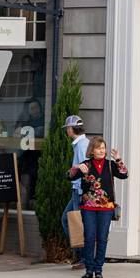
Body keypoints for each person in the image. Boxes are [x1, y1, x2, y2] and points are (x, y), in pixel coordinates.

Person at [70, 137, 128, 278]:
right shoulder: (86, 165)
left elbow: (124, 175)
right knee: (89, 237)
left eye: (103, 148)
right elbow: (68, 177)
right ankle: (89, 269)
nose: (102, 150)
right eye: (98, 148)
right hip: (88, 207)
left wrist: (119, 160)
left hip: (106, 208)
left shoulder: (110, 164)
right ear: (92, 150)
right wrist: (76, 167)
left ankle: (98, 269)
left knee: (102, 238)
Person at [63, 115, 90, 268]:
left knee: (76, 224)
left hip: (78, 190)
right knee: (67, 220)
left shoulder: (80, 146)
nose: (67, 130)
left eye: (67, 128)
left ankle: (83, 258)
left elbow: (84, 170)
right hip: (78, 189)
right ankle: (80, 255)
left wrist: (80, 193)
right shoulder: (84, 143)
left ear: (71, 129)